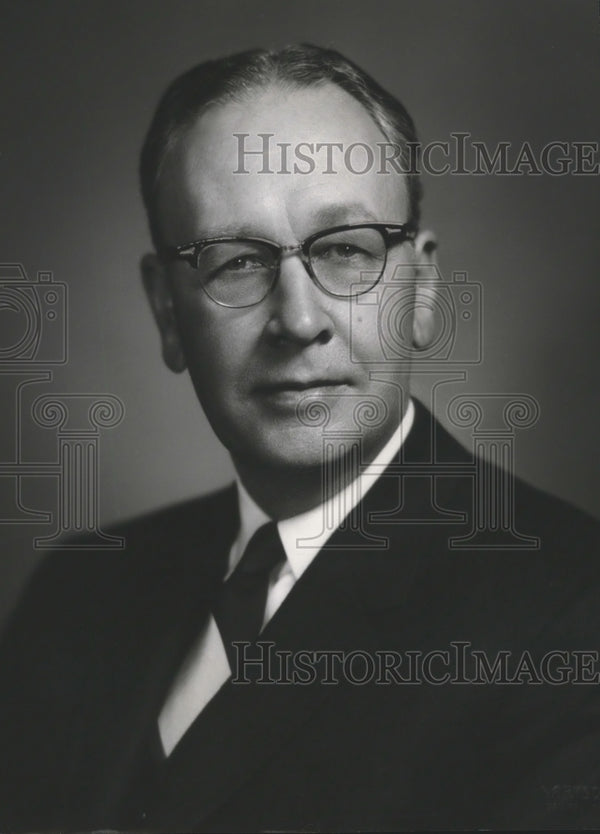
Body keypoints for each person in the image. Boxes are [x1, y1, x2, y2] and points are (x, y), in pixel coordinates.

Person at [1, 43, 600, 832]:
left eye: (345, 251)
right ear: (166, 313)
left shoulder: (569, 612)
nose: (299, 320)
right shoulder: (78, 599)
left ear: (420, 290)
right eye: (236, 262)